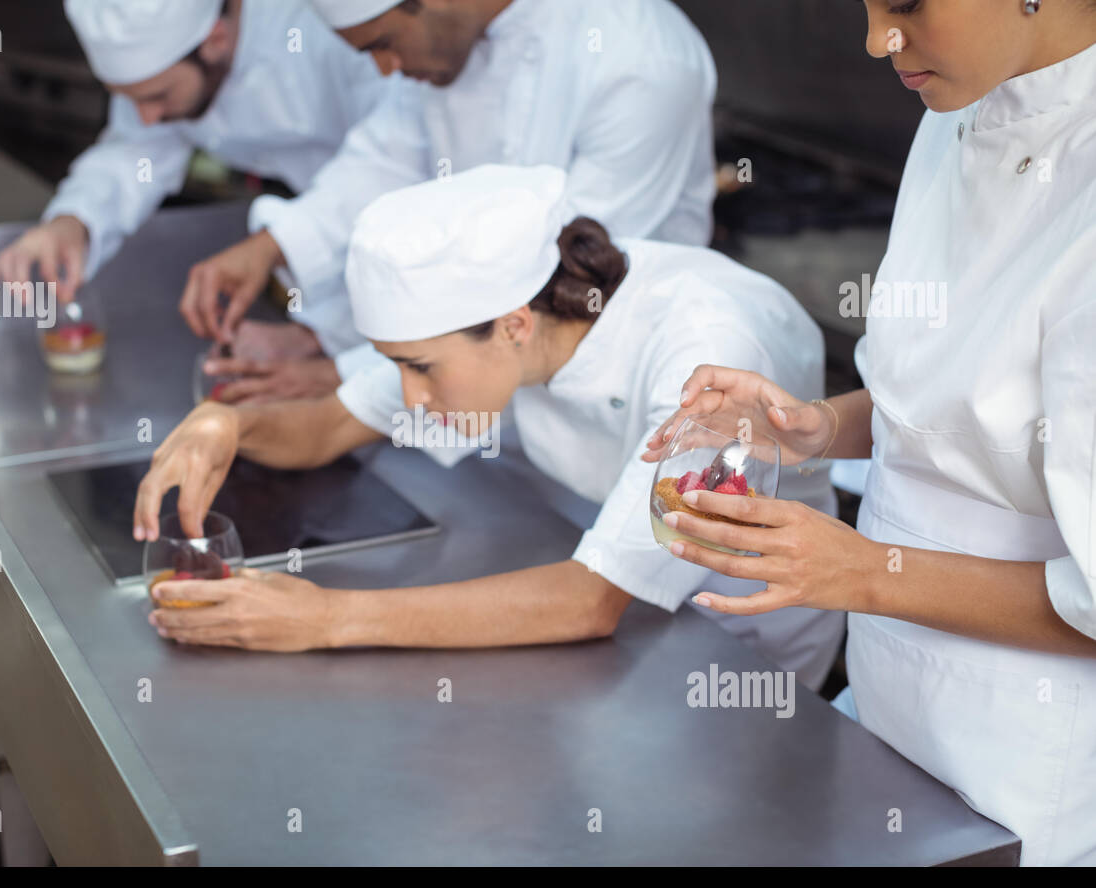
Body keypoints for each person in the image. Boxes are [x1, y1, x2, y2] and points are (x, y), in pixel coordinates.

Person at [643, 0, 1096, 865]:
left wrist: (861, 572)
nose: (874, 39)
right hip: (891, 704)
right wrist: (813, 429)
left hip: (1028, 770)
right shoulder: (958, 110)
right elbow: (955, 414)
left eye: (907, 4)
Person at [133, 165, 845, 690]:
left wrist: (324, 620)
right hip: (618, 603)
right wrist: (227, 423)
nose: (411, 397)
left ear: (512, 326)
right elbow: (324, 427)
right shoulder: (512, 310)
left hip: (739, 652)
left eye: (421, 369)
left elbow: (590, 600)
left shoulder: (705, 359)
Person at [185, 0, 717, 402]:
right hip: (475, 398)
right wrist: (273, 247)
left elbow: (562, 277)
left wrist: (349, 375)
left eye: (383, 43)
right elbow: (386, 163)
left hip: (618, 397)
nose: (386, 69)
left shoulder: (643, 60)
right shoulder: (445, 46)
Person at [0, 0, 389, 364]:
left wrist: (282, 257)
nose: (146, 116)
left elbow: (392, 168)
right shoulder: (170, 67)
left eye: (158, 96)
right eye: (131, 99)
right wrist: (73, 221)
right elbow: (137, 148)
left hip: (395, 248)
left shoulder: (328, 32)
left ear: (215, 40)